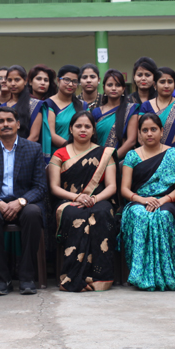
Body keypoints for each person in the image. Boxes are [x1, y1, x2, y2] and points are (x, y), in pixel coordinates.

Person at [0, 106, 48, 295]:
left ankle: (27, 277)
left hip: (25, 202)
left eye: (9, 120)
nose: (5, 124)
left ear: (18, 124)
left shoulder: (33, 148)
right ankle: (0, 278)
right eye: (1, 121)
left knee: (33, 213)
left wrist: (21, 201)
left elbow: (40, 186)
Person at [48, 111, 118, 292]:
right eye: (78, 126)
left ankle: (99, 278)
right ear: (71, 129)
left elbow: (111, 187)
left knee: (102, 213)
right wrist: (77, 197)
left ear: (94, 130)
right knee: (75, 213)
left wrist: (94, 198)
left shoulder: (105, 153)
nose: (83, 130)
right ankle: (73, 276)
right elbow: (55, 188)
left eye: (87, 126)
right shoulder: (59, 154)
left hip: (98, 199)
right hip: (68, 200)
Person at [120, 112, 175, 291]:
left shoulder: (173, 155)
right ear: (139, 134)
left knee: (164, 217)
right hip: (138, 201)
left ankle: (166, 274)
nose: (149, 134)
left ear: (162, 131)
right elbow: (125, 189)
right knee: (140, 215)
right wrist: (142, 200)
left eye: (153, 129)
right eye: (145, 130)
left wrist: (161, 200)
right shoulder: (132, 156)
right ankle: (140, 274)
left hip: (167, 201)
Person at [139, 67, 175, 152]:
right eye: (162, 82)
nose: (166, 85)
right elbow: (140, 136)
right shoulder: (145, 106)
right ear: (154, 85)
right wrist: (152, 155)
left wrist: (171, 158)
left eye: (170, 82)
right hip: (150, 155)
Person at [92, 69, 139, 160]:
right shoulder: (96, 112)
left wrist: (111, 158)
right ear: (104, 88)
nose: (114, 88)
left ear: (123, 88)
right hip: (98, 159)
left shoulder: (130, 110)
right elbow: (93, 139)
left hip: (121, 162)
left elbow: (131, 141)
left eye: (118, 85)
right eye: (110, 85)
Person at [43, 65, 86, 162]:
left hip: (81, 155)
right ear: (58, 80)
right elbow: (52, 135)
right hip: (58, 156)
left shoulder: (82, 105)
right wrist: (72, 148)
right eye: (66, 80)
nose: (70, 84)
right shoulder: (49, 104)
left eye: (74, 81)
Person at [3, 65, 43, 141]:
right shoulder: (2, 106)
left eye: (17, 80)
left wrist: (17, 151)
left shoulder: (35, 105)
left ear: (25, 81)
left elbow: (34, 136)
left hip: (27, 150)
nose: (13, 83)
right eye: (9, 80)